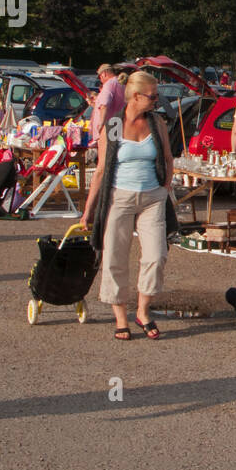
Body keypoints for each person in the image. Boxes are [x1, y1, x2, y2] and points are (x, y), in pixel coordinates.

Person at [81, 71, 176, 341]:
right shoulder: (112, 125)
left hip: (152, 197)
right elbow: (100, 170)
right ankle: (120, 316)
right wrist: (89, 210)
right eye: (152, 96)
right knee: (114, 257)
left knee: (156, 255)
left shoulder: (156, 122)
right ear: (135, 96)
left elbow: (168, 158)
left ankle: (143, 311)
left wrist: (164, 187)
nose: (157, 101)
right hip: (119, 196)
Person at [90, 63, 126, 150]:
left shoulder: (108, 85)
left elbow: (105, 104)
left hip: (108, 129)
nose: (100, 79)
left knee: (106, 156)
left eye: (100, 77)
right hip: (118, 125)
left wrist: (101, 123)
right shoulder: (120, 84)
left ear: (104, 74)